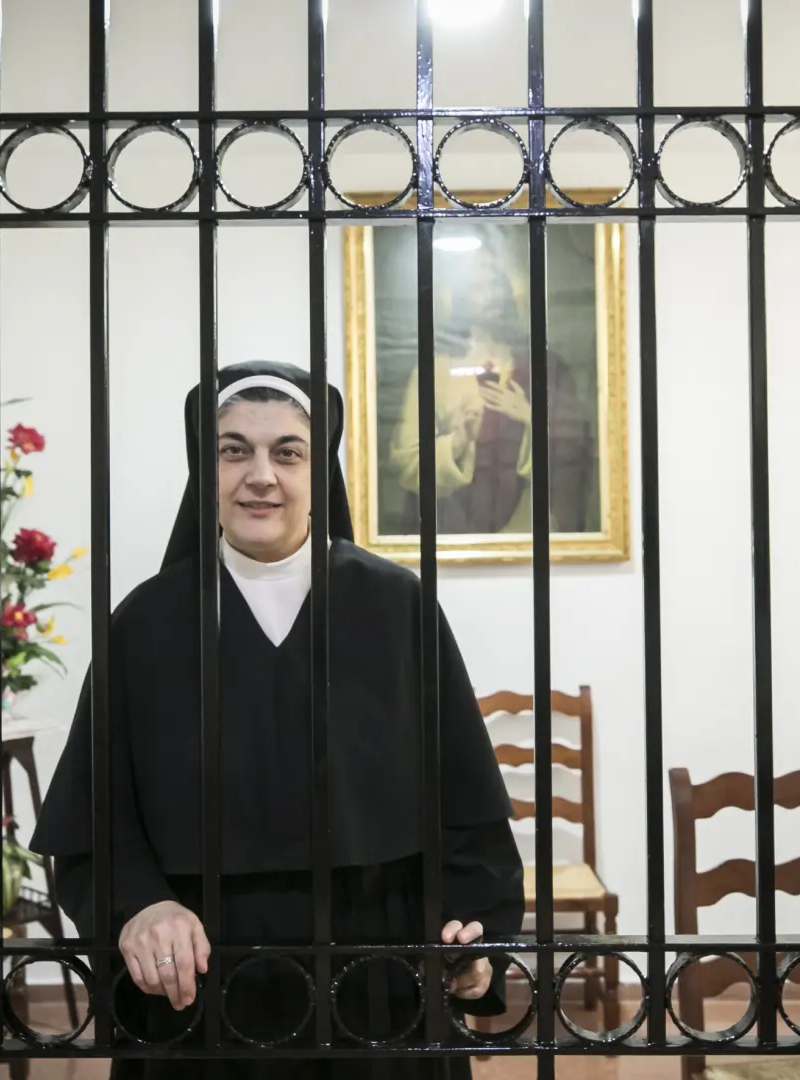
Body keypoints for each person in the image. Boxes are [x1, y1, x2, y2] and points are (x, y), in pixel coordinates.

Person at [31, 361, 524, 1078]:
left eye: (286, 452)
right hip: (197, 987)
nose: (260, 475)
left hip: (376, 977)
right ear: (208, 468)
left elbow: (468, 814)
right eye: (234, 450)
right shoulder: (147, 622)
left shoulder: (398, 609)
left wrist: (474, 939)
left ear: (317, 468)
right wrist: (138, 908)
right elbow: (96, 822)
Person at [387, 237, 592, 536]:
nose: (492, 296)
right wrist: (456, 441)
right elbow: (406, 462)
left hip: (526, 525)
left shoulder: (544, 367)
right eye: (478, 287)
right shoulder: (436, 370)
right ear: (459, 297)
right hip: (452, 525)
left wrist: (531, 418)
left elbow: (577, 452)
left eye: (497, 285)